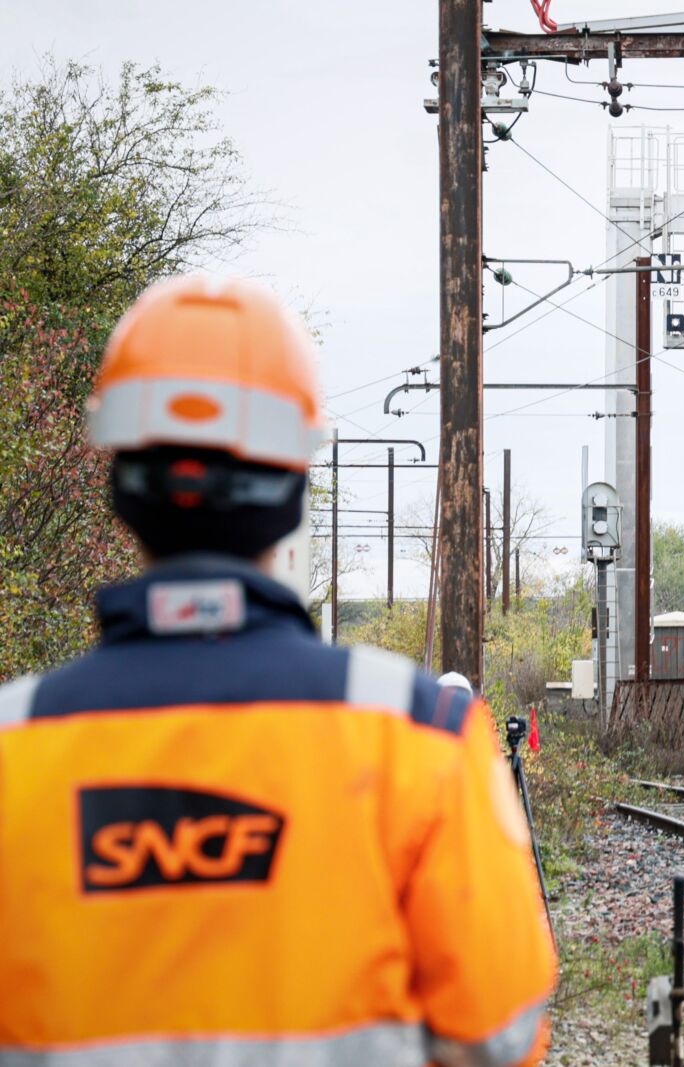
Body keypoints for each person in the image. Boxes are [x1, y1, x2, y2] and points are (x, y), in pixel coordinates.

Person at [0, 276, 558, 1066]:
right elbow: (502, 1029)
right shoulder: (420, 737)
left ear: (120, 482)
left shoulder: (13, 748)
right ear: (295, 482)